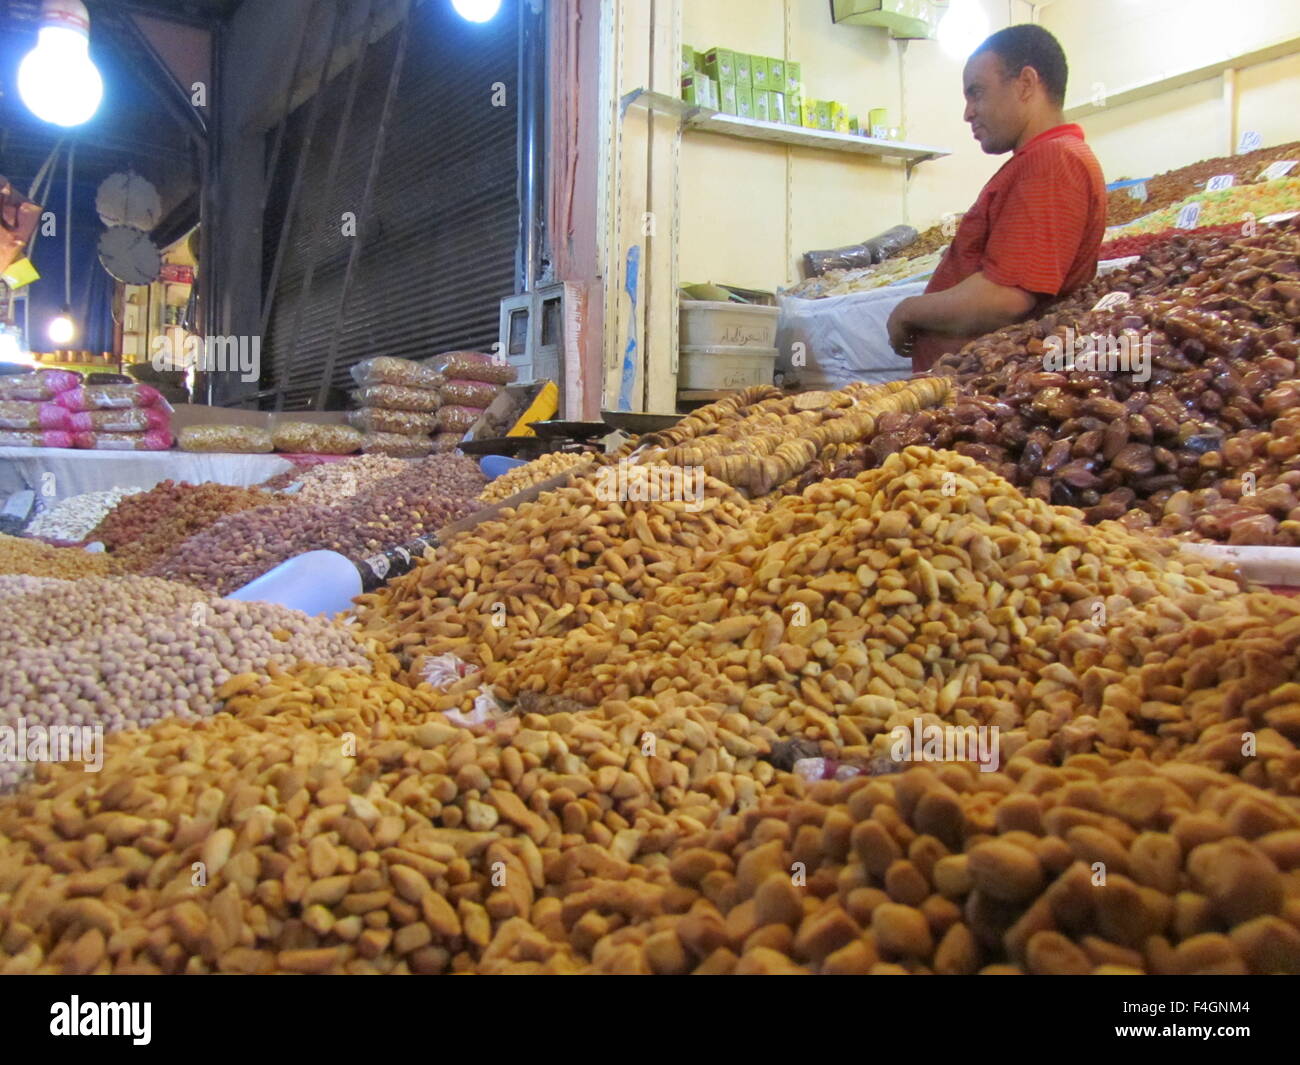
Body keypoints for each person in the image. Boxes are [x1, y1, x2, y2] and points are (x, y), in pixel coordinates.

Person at [887, 24, 1107, 372]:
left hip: (985, 395)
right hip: (973, 391)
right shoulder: (1042, 159)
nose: (968, 112)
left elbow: (1005, 297)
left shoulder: (1052, 160)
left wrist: (908, 311)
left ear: (1026, 84)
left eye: (976, 93)